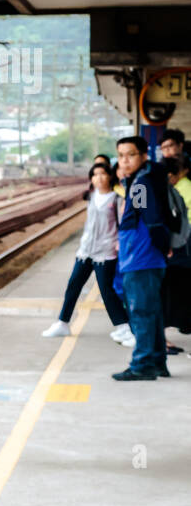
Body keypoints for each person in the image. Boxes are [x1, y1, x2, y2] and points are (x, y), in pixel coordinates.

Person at [43, 162, 130, 342]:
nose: (99, 178)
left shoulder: (116, 198)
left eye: (103, 174)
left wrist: (119, 245)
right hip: (85, 251)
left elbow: (122, 226)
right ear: (91, 178)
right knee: (73, 285)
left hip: (105, 252)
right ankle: (62, 323)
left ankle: (124, 327)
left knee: (107, 290)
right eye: (95, 174)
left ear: (110, 176)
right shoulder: (91, 196)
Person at [112, 136, 171, 380]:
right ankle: (156, 361)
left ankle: (143, 364)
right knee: (152, 312)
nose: (124, 160)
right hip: (144, 256)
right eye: (121, 155)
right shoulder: (141, 181)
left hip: (141, 257)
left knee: (142, 312)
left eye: (131, 155)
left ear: (144, 156)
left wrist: (161, 246)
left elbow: (151, 219)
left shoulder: (140, 185)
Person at [161, 151, 191, 339]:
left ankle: (160, 341)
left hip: (174, 249)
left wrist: (168, 245)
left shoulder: (176, 190)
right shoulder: (172, 190)